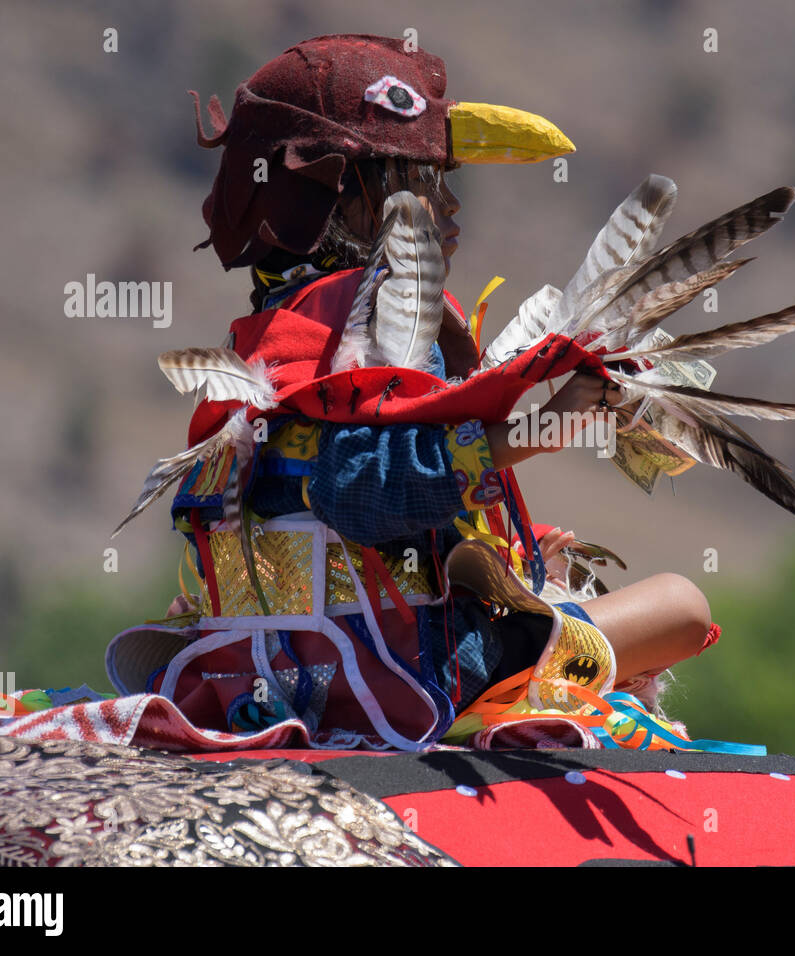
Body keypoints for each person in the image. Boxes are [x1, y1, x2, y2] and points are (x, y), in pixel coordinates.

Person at [111, 34, 721, 749]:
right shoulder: (379, 324)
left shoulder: (270, 342)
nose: (452, 206)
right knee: (683, 604)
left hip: (256, 674)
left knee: (560, 585)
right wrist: (542, 430)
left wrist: (506, 557)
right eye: (427, 181)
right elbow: (356, 491)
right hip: (407, 672)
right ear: (356, 199)